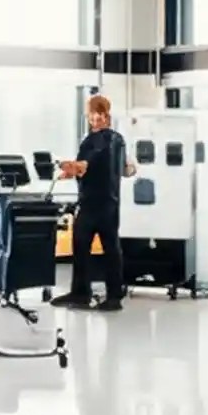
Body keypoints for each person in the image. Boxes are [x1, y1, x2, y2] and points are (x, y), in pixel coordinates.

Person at [50, 95, 134, 312]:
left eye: (95, 115)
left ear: (103, 115)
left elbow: (84, 166)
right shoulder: (119, 140)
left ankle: (81, 293)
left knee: (81, 245)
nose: (93, 119)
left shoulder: (92, 141)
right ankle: (114, 296)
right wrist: (72, 172)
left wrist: (65, 167)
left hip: (91, 204)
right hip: (111, 203)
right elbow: (128, 170)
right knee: (112, 250)